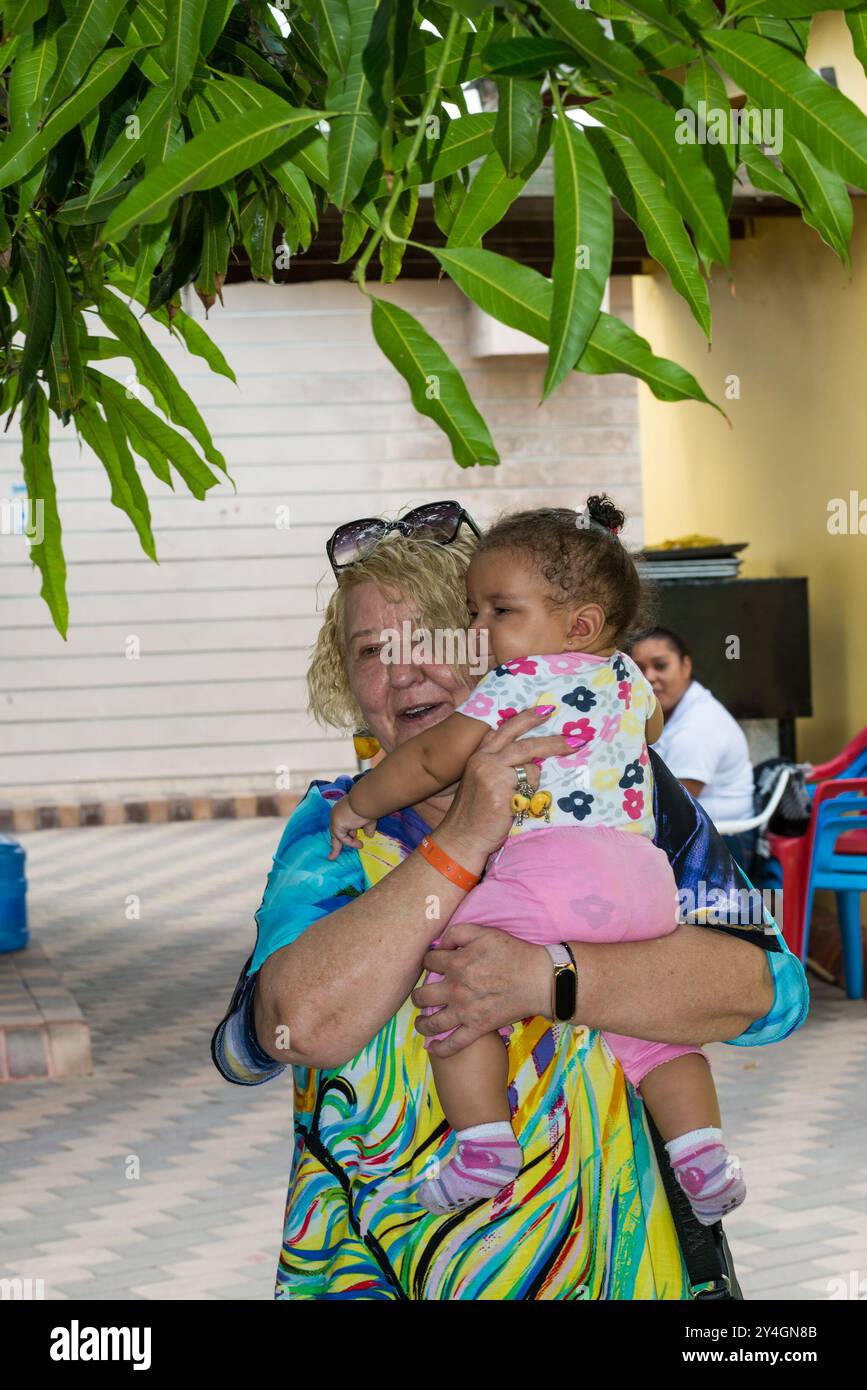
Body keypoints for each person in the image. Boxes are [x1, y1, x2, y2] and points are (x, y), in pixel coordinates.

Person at [211, 499, 808, 1301]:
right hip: (388, 1272)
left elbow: (767, 995)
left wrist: (550, 980)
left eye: (433, 639)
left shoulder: (625, 797)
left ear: (501, 654)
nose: (403, 672)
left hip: (620, 1265)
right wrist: (460, 841)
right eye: (369, 652)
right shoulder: (335, 830)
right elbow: (293, 1028)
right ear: (345, 682)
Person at [330, 498, 745, 1227]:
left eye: (493, 613)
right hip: (643, 883)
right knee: (652, 1035)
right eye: (473, 613)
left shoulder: (518, 683)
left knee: (452, 977)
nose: (477, 632)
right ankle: (703, 1155)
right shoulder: (625, 675)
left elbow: (431, 758)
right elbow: (641, 728)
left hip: (558, 872)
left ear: (576, 622)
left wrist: (360, 802)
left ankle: (483, 1143)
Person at [631, 627, 757, 868]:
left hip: (724, 844)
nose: (649, 677)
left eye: (660, 665)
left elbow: (675, 808)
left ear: (685, 666)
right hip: (702, 834)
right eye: (639, 669)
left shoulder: (700, 724)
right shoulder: (671, 714)